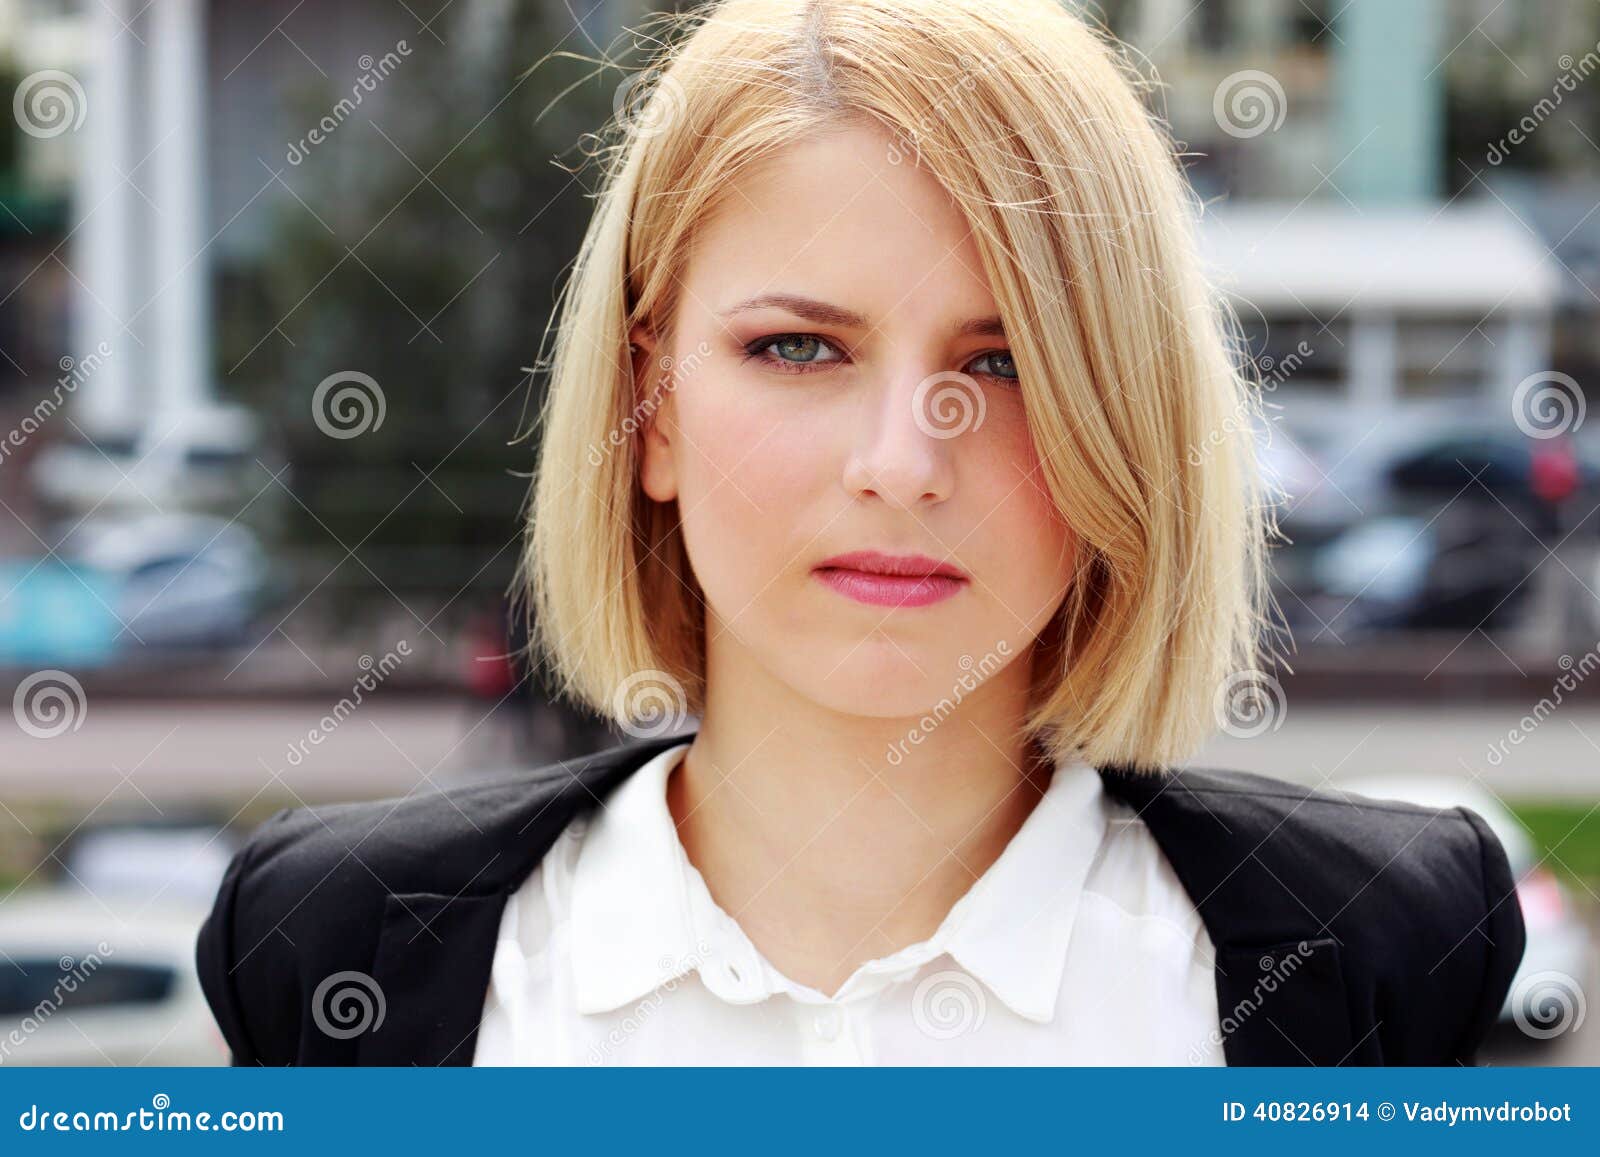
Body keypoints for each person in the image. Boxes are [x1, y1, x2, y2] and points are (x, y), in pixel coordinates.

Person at [196, 0, 1525, 1066]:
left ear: (1119, 412)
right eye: (798, 346)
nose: (902, 462)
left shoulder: (1377, 956)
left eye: (1003, 364)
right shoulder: (340, 952)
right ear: (648, 407)